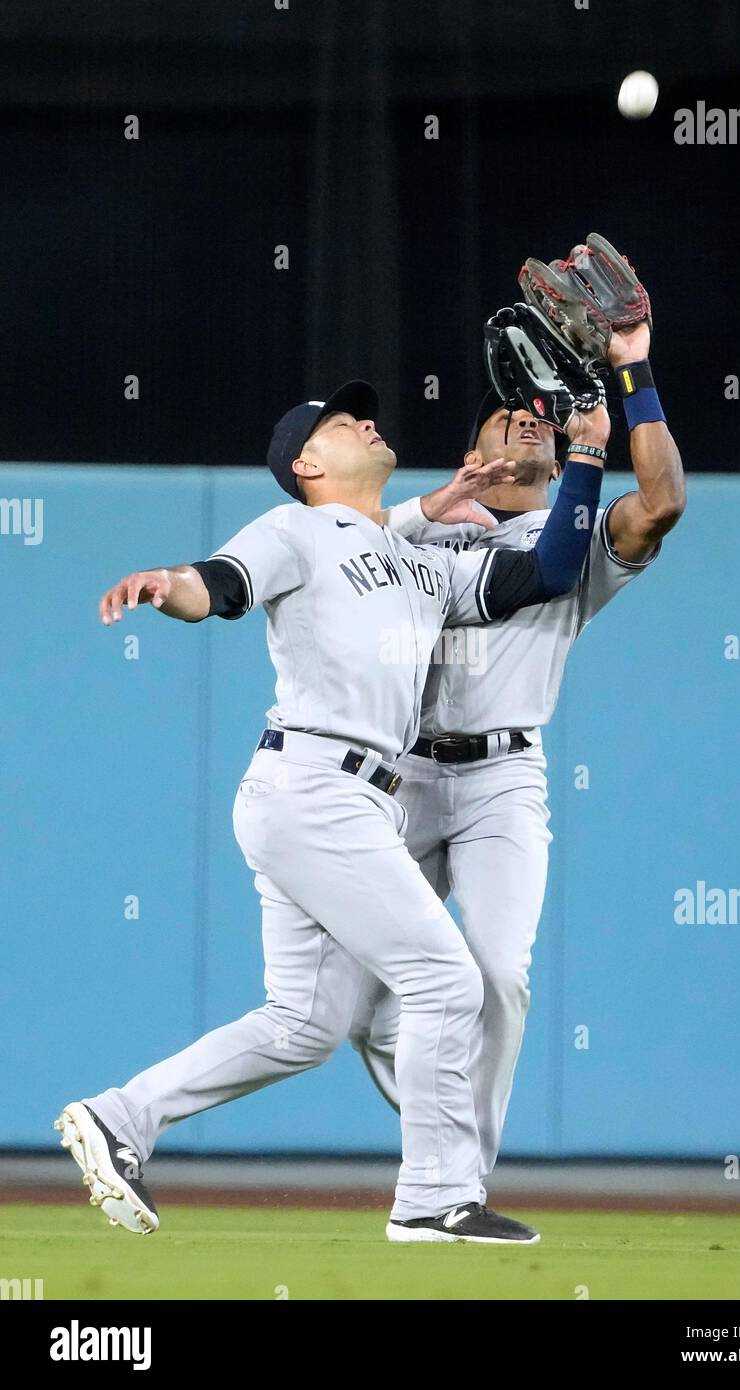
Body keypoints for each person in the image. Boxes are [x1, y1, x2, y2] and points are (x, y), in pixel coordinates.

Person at [55, 377, 605, 1245]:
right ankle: (433, 1198)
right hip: (314, 788)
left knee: (305, 1024)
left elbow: (550, 570)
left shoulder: (419, 563)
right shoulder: (296, 529)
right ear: (308, 462)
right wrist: (170, 584)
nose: (370, 421)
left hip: (342, 798)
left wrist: (586, 455)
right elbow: (222, 584)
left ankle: (120, 1118)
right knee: (446, 977)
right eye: (348, 422)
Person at [351, 314, 686, 1204]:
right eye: (508, 415)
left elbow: (662, 504)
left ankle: (458, 1182)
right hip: (401, 777)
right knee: (354, 1001)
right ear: (473, 449)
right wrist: (427, 506)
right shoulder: (410, 531)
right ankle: (430, 1104)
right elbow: (337, 551)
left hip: (503, 779)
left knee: (499, 971)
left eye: (541, 417)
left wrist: (632, 370)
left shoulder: (574, 546)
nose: (528, 419)